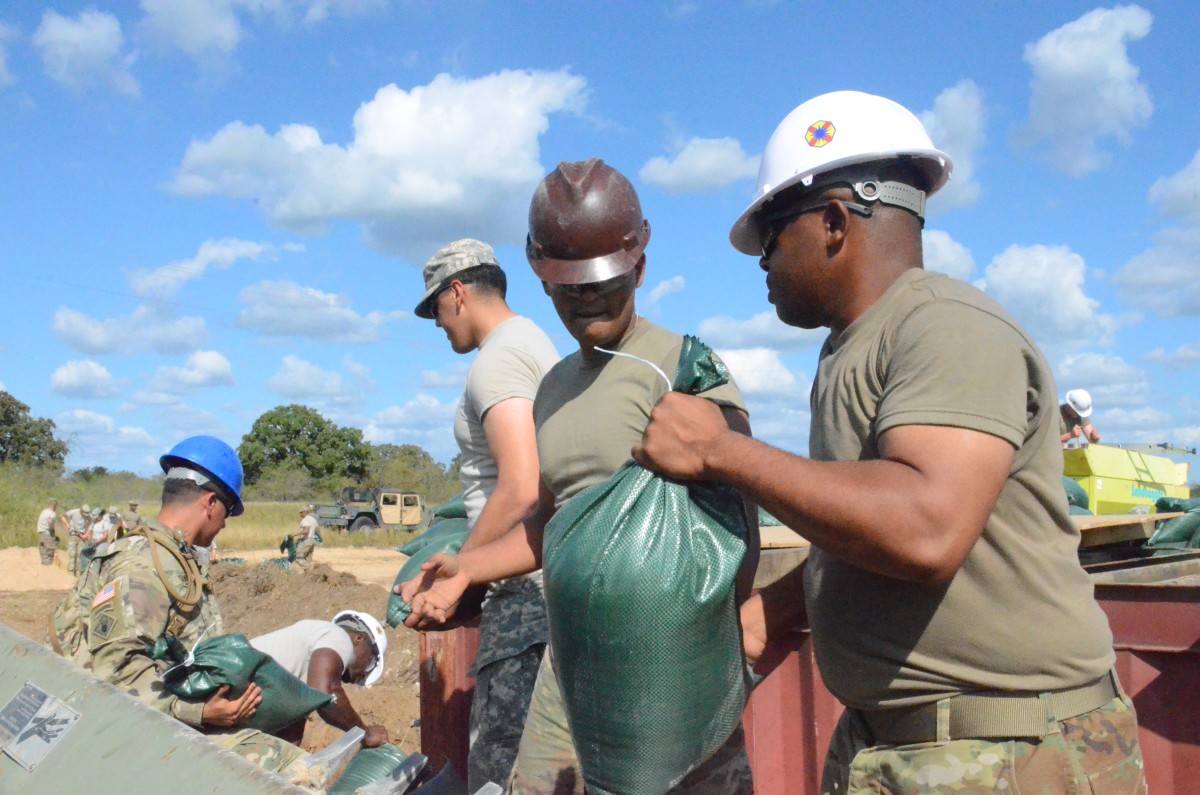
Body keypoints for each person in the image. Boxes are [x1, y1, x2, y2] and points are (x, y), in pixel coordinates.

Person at [632, 90, 1145, 793]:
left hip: (1008, 750)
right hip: (905, 743)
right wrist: (767, 610)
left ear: (835, 222)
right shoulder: (849, 351)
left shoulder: (946, 326)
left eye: (773, 234)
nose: (762, 263)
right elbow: (863, 531)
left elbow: (926, 527)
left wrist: (723, 450)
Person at [401, 159, 758, 793]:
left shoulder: (681, 367)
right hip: (567, 668)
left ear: (640, 267)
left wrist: (717, 640)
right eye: (570, 287)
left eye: (603, 283)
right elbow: (548, 523)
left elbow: (739, 517)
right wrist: (468, 567)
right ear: (540, 275)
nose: (586, 299)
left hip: (668, 668)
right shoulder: (554, 389)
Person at [50, 435, 313, 783]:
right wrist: (201, 712)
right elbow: (116, 670)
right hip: (124, 727)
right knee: (293, 773)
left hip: (153, 713)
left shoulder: (171, 558)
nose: (224, 523)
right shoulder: (143, 565)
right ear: (209, 503)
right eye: (228, 511)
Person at [413, 238, 561, 790]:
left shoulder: (497, 360)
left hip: (525, 597)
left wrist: (460, 573)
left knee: (503, 773)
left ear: (458, 293)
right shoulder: (533, 343)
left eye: (435, 310)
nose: (437, 324)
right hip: (540, 581)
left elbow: (521, 485)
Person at [250, 610, 390, 748]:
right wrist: (365, 734)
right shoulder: (339, 637)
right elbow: (325, 692)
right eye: (370, 662)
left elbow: (288, 742)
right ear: (359, 640)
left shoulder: (301, 684)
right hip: (235, 682)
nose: (365, 674)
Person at [59, 502, 91, 575]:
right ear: (81, 510)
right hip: (73, 534)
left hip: (82, 536)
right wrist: (67, 524)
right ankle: (71, 573)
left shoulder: (88, 516)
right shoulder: (73, 512)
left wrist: (87, 534)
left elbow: (90, 524)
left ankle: (79, 573)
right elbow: (62, 516)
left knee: (80, 555)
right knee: (72, 554)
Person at [294, 504, 319, 572]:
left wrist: (296, 534)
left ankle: (310, 570)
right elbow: (318, 530)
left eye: (301, 512)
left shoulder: (305, 520)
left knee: (298, 557)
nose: (300, 514)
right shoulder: (313, 519)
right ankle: (309, 575)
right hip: (312, 540)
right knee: (308, 558)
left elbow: (306, 531)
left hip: (306, 540)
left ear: (305, 512)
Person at [37, 498, 59, 566]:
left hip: (41, 533)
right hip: (47, 534)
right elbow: (50, 521)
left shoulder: (44, 511)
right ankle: (48, 569)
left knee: (43, 552)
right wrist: (52, 530)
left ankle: (43, 568)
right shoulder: (52, 513)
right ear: (54, 505)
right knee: (50, 552)